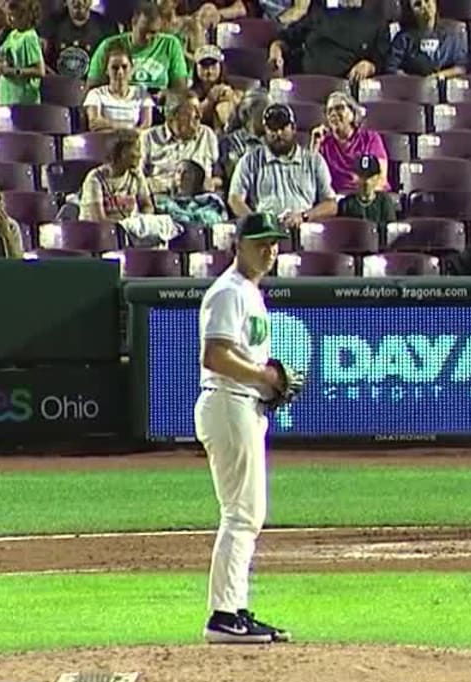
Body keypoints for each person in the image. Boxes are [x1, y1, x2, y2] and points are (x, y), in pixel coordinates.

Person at [197, 211, 303, 645]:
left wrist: (263, 383)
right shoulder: (228, 292)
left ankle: (235, 608)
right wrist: (264, 377)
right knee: (242, 513)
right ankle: (223, 615)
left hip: (242, 406)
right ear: (237, 245)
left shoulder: (249, 293)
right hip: (229, 403)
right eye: (260, 242)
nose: (269, 250)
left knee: (247, 513)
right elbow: (215, 355)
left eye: (274, 243)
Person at [228, 103, 338, 227]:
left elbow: (331, 204)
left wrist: (304, 216)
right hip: (267, 229)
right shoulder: (250, 160)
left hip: (303, 226)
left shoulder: (314, 161)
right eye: (273, 129)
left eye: (283, 128)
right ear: (265, 130)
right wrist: (257, 223)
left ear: (293, 128)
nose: (278, 133)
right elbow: (234, 199)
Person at [268, 0, 390, 81]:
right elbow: (288, 37)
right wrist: (276, 50)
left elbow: (382, 61)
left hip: (345, 87)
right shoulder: (321, 11)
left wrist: (369, 66)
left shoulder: (376, 21)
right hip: (304, 81)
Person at [86, 1, 191, 91]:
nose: (149, 37)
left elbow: (180, 89)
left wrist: (168, 94)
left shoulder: (170, 45)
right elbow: (92, 89)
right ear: (133, 23)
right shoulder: (109, 46)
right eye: (144, 31)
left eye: (154, 33)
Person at [316, 92, 390, 197]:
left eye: (339, 108)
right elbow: (312, 181)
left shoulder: (370, 138)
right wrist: (315, 145)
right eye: (329, 111)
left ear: (352, 113)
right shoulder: (325, 143)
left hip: (369, 196)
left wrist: (362, 197)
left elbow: (381, 178)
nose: (333, 113)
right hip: (337, 199)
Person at [144, 93, 221, 195]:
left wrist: (211, 182)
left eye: (199, 110)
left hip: (200, 200)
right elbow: (136, 182)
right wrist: (169, 184)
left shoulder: (207, 135)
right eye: (194, 111)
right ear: (173, 116)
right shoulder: (148, 138)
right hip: (161, 199)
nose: (199, 116)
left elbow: (220, 177)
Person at [387, 0, 468, 78]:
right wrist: (413, 82)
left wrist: (439, 76)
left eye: (427, 1)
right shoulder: (403, 39)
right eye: (418, 4)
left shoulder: (454, 34)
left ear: (435, 3)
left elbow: (461, 68)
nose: (424, 6)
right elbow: (392, 69)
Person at [85, 43, 156, 131]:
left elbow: (146, 125)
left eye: (124, 67)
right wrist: (129, 127)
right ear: (107, 70)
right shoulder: (95, 94)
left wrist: (109, 124)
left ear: (131, 69)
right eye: (115, 68)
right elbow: (94, 123)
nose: (120, 72)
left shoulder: (142, 94)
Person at [42, 0, 113, 80]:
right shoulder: (50, 24)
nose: (79, 1)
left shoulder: (107, 27)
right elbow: (39, 61)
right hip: (55, 87)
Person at [337, 153, 397, 243]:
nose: (366, 181)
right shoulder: (346, 204)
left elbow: (389, 233)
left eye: (370, 177)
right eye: (361, 176)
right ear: (354, 177)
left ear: (377, 177)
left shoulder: (385, 201)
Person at [0, 0, 46, 105]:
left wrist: (12, 71)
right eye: (9, 15)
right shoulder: (12, 34)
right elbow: (3, 55)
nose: (10, 20)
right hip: (7, 97)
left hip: (23, 100)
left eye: (14, 16)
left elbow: (40, 71)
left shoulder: (29, 37)